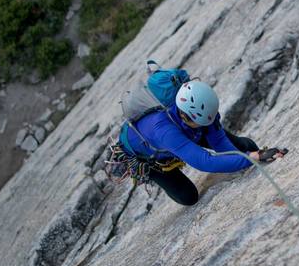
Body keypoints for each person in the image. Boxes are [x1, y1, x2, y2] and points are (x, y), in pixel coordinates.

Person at [119, 80, 285, 205]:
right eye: (204, 123)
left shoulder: (201, 107)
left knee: (245, 148)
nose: (209, 125)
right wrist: (251, 158)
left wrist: (254, 155)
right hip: (149, 156)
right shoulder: (164, 131)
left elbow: (221, 143)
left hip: (187, 130)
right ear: (185, 116)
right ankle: (156, 173)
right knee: (188, 197)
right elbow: (205, 161)